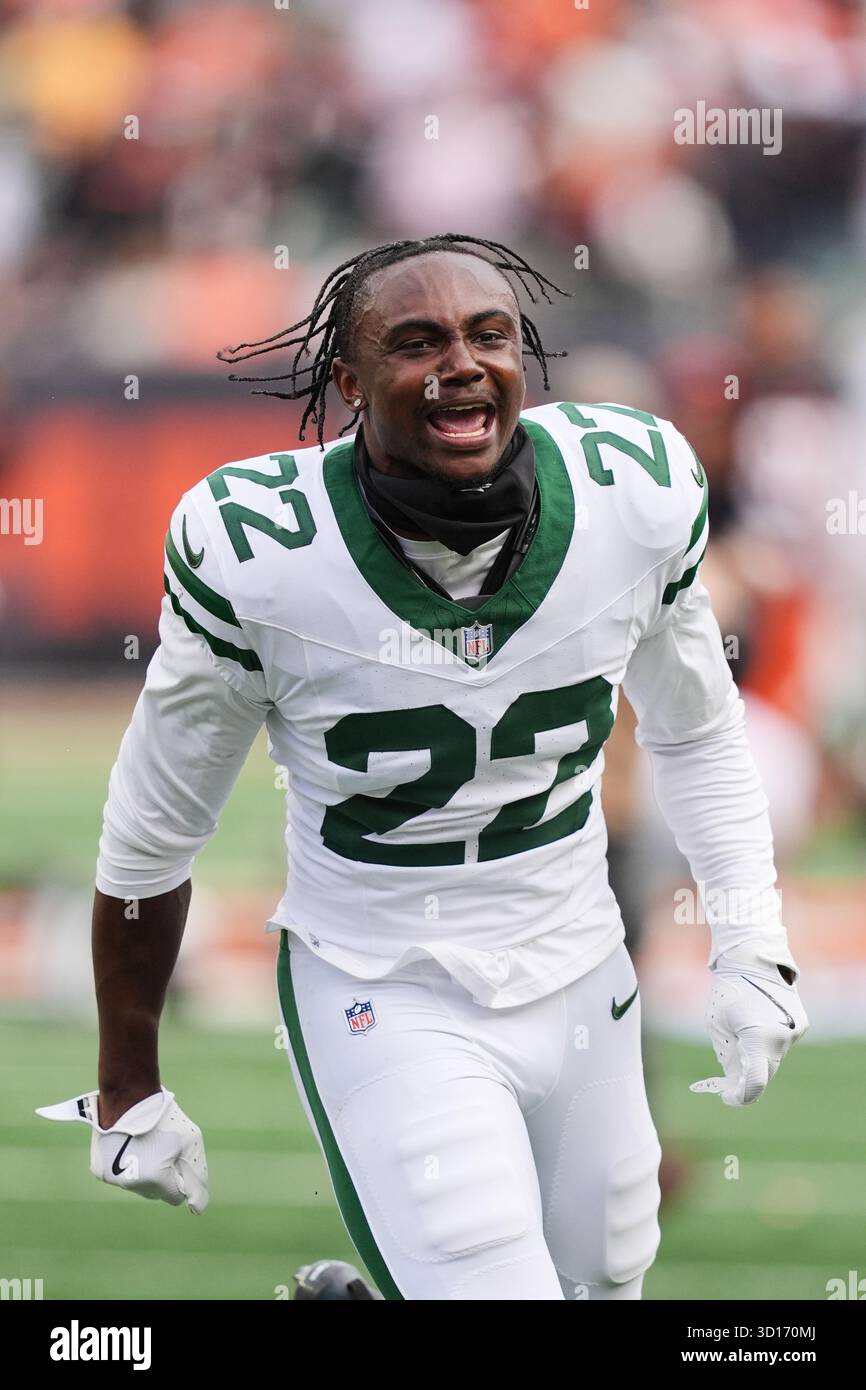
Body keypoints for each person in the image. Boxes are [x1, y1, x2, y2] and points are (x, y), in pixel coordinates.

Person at [38, 234, 807, 1301]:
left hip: (579, 961)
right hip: (380, 983)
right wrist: (128, 1084)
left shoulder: (633, 492)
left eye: (488, 334)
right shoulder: (263, 553)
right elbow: (152, 835)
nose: (459, 360)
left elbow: (693, 730)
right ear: (348, 383)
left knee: (606, 1285)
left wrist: (751, 944)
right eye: (416, 341)